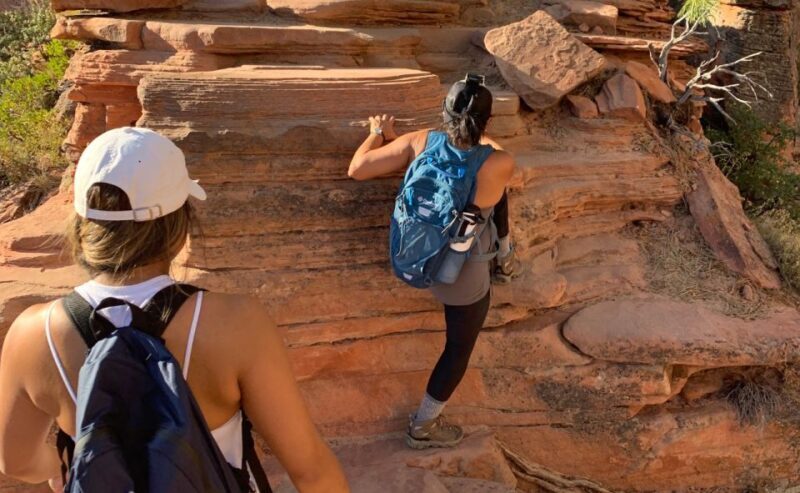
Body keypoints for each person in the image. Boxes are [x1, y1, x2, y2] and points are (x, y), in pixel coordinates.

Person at [0, 128, 350, 492]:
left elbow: (16, 461)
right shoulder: (234, 323)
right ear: (178, 225)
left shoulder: (33, 334)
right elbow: (310, 470)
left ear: (82, 223)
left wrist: (62, 468)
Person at [348, 75, 520, 449]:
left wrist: (378, 132)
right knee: (458, 347)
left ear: (444, 112)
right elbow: (489, 152)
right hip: (460, 271)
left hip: (414, 253)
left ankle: (504, 253)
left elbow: (357, 169)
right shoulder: (499, 162)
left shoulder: (419, 141)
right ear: (487, 122)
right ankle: (422, 427)